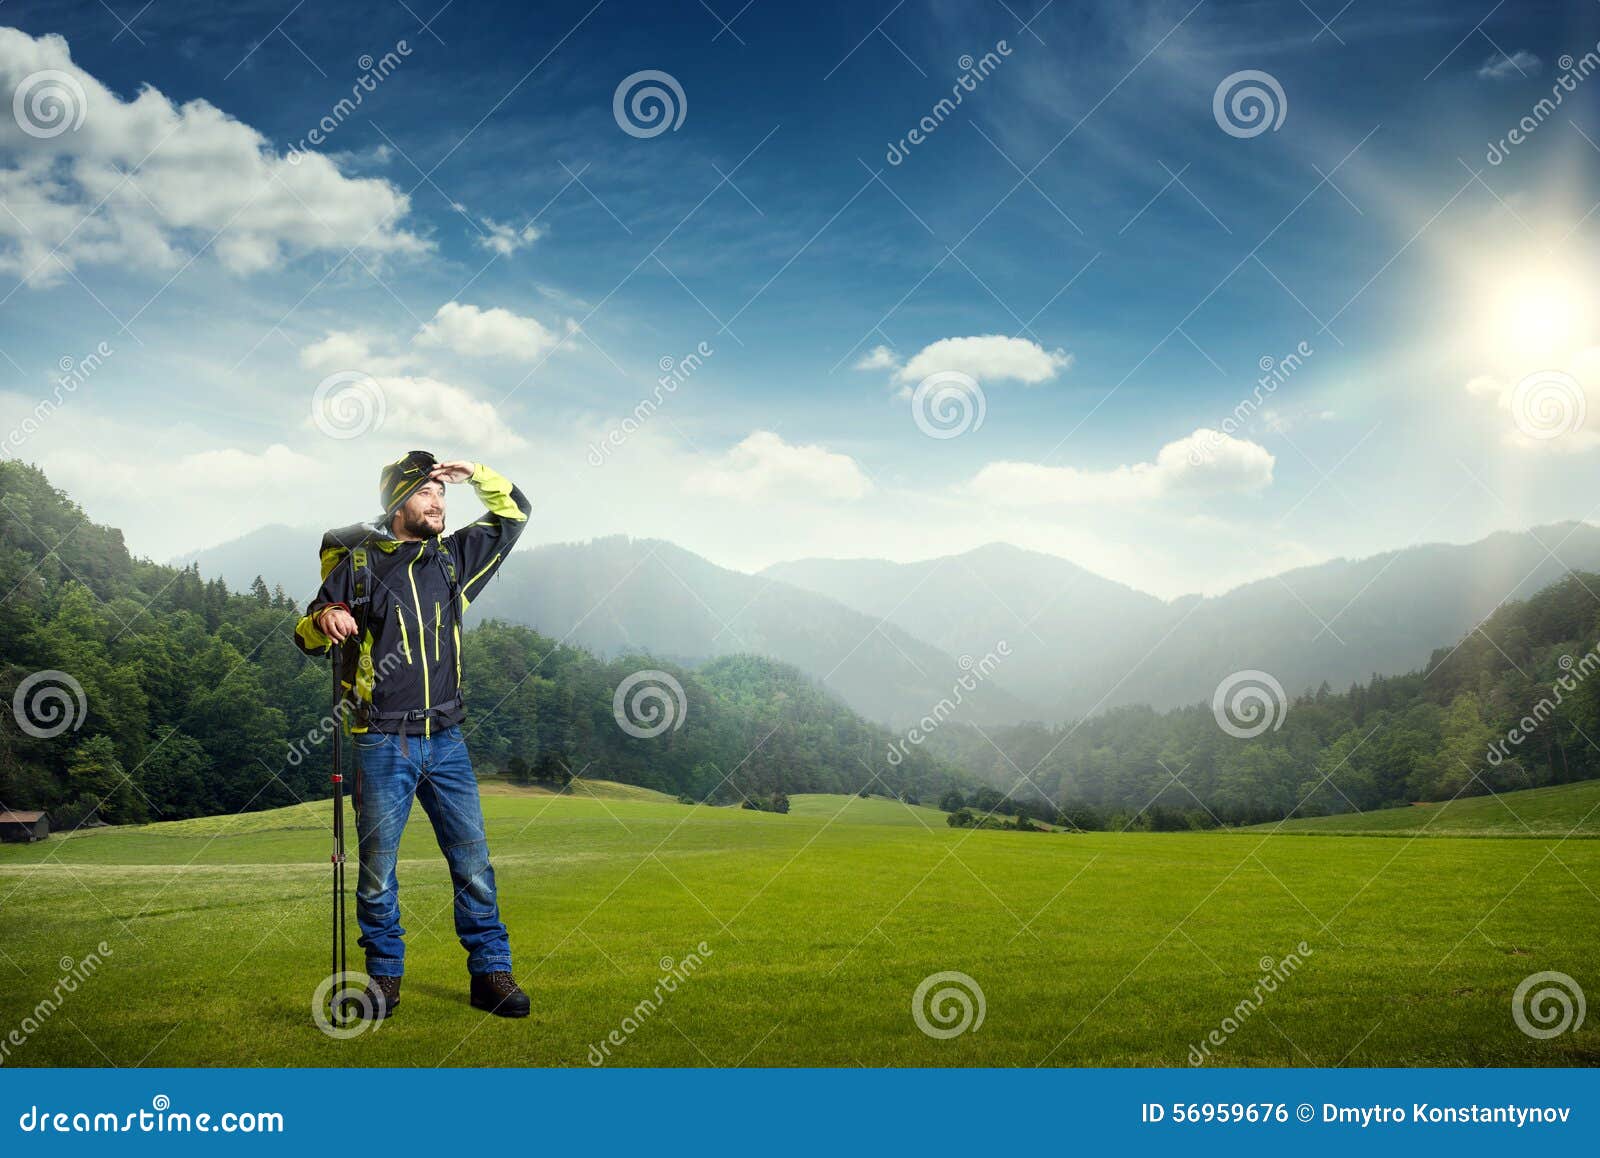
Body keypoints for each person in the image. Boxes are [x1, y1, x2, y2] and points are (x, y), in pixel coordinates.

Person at [294, 450, 532, 1019]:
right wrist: (324, 622)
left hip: (448, 739)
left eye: (441, 494)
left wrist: (475, 473)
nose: (438, 503)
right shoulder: (357, 565)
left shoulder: (454, 560)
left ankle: (490, 975)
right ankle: (383, 980)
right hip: (380, 740)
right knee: (378, 871)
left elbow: (515, 513)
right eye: (426, 492)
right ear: (399, 501)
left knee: (473, 863)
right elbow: (306, 635)